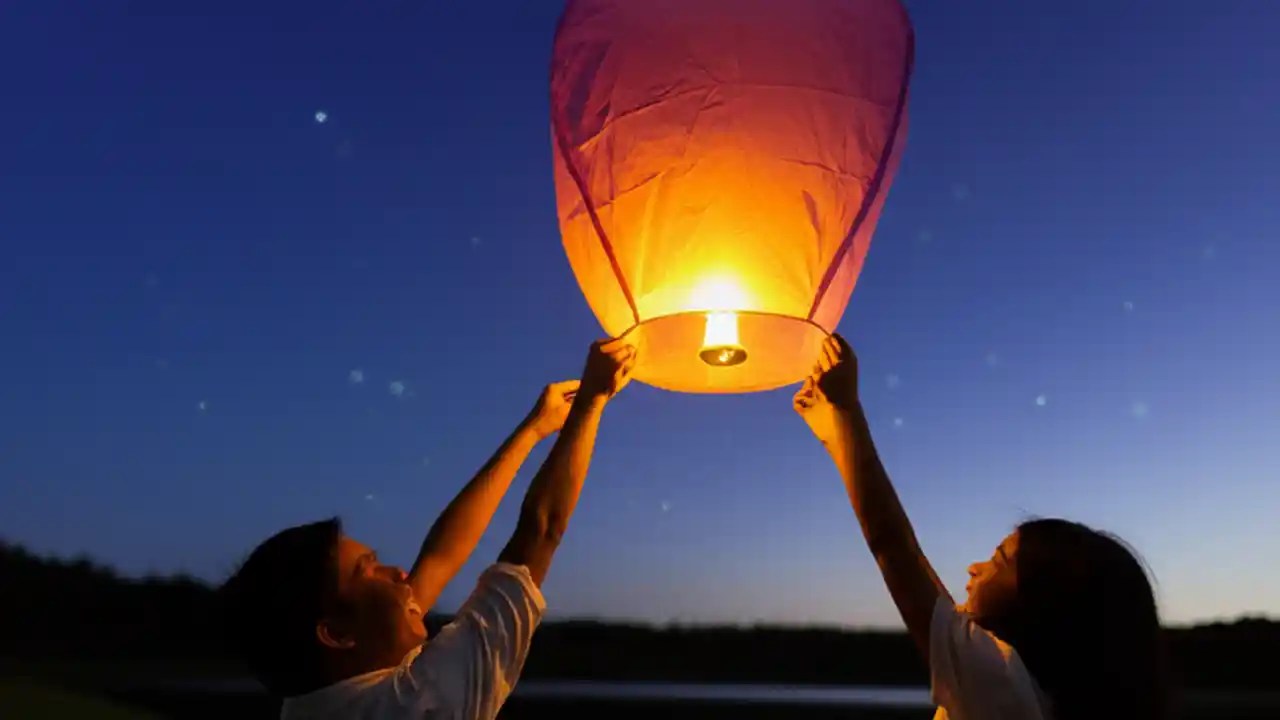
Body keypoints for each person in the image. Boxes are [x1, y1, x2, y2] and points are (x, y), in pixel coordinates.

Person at [218, 338, 637, 720]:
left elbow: (440, 558)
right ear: (336, 634)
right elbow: (540, 532)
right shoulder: (422, 704)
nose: (400, 574)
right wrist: (590, 404)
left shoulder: (314, 699)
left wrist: (533, 430)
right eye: (369, 570)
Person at [793, 334, 1168, 720]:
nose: (975, 567)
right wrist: (836, 430)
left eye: (999, 560)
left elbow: (892, 546)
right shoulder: (1032, 697)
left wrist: (848, 411)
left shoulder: (1005, 687)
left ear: (1042, 603)